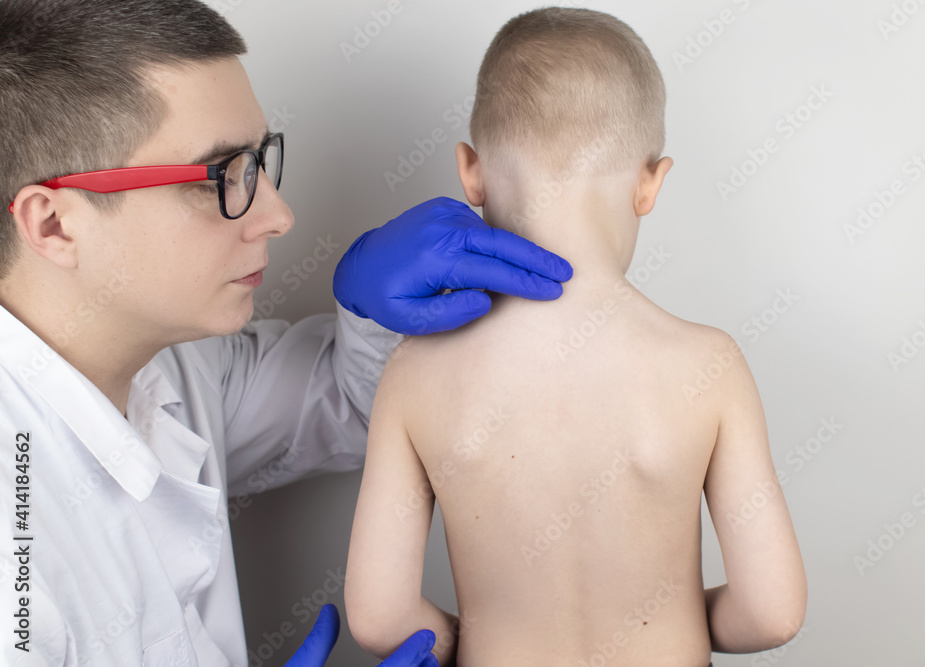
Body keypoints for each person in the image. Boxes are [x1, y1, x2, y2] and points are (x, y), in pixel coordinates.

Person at [0, 1, 572, 665]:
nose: (278, 214)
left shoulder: (176, 366)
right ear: (53, 225)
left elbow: (346, 404)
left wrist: (372, 314)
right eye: (222, 174)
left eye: (260, 160)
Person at [344, 7, 808, 666]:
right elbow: (773, 610)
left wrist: (470, 642)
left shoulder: (414, 373)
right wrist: (667, 623)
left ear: (470, 171)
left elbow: (379, 616)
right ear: (651, 182)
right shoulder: (709, 364)